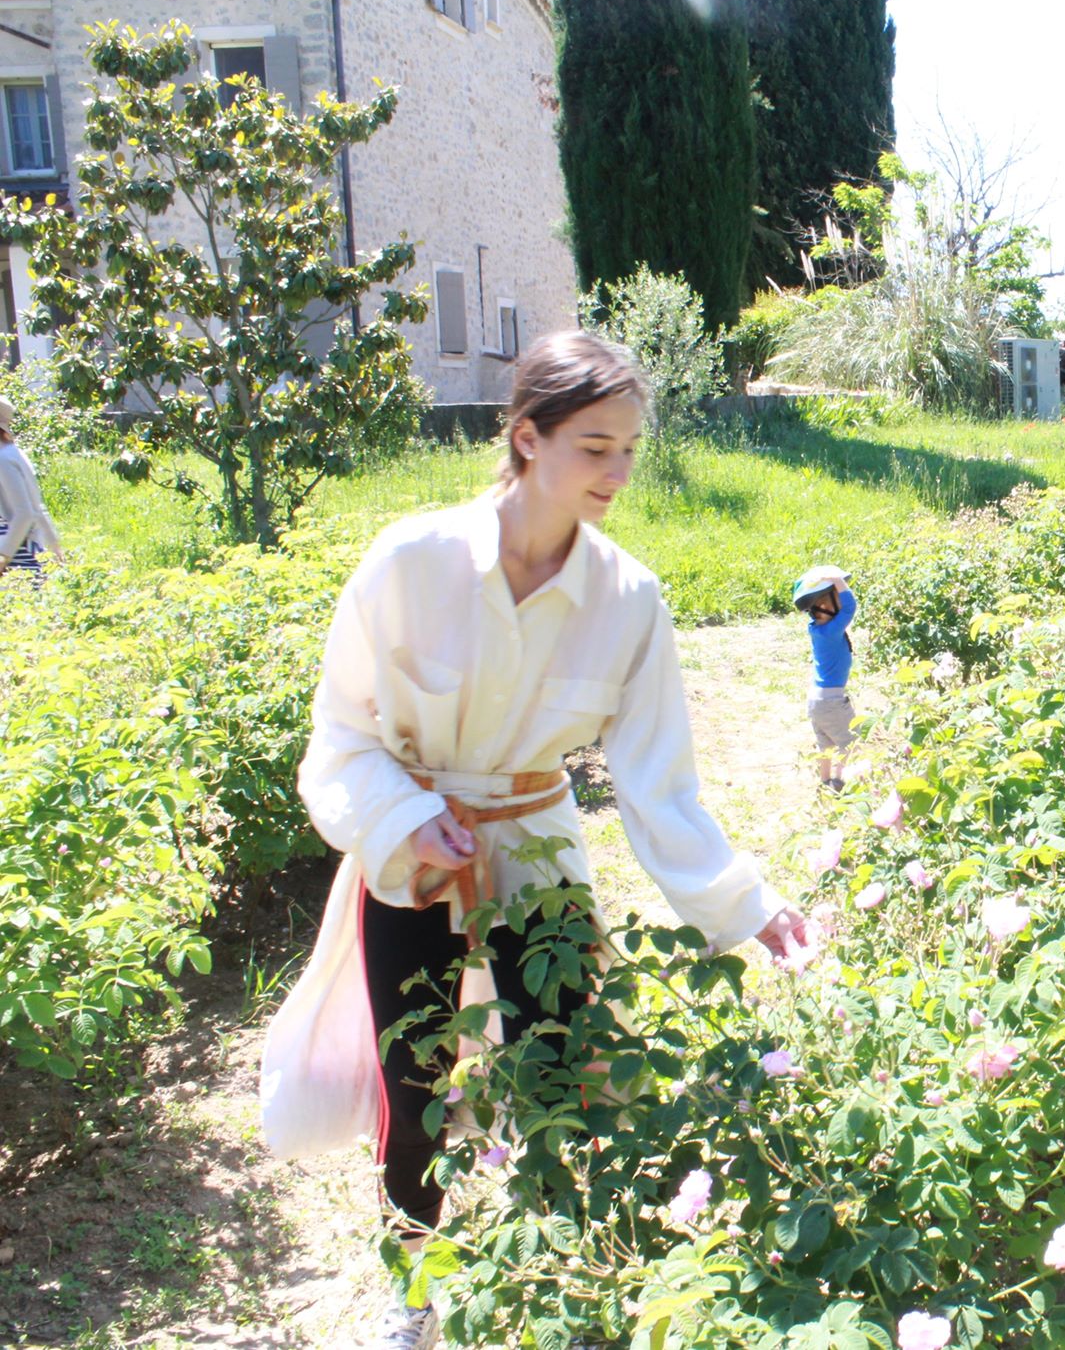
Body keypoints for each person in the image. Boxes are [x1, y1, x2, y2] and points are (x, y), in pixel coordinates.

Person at [259, 333, 814, 1350]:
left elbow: (660, 785)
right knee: (415, 1082)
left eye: (630, 449)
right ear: (526, 438)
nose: (618, 472)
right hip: (413, 856)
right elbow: (339, 737)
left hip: (539, 849)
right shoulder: (411, 563)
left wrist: (750, 903)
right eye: (595, 447)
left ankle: (556, 1283)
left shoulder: (628, 600)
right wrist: (401, 818)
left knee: (558, 1069)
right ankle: (413, 1291)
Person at [796, 564, 856, 791]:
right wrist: (837, 580)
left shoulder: (816, 628)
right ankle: (839, 781)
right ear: (824, 605)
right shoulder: (831, 631)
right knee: (850, 741)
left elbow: (844, 607)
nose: (841, 598)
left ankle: (824, 782)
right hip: (831, 700)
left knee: (826, 745)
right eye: (836, 596)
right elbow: (850, 607)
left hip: (816, 699)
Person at [0, 397, 63, 580]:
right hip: (28, 550)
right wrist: (55, 546)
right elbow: (37, 506)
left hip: (18, 557)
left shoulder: (3, 459)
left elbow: (25, 513)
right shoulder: (14, 453)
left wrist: (3, 556)